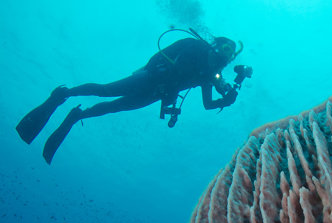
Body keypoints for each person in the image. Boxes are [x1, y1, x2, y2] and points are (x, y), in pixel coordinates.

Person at [16, 30, 252, 164]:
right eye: (225, 48)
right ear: (216, 45)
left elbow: (208, 104)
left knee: (113, 108)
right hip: (148, 79)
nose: (226, 54)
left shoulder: (211, 75)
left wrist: (226, 100)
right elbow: (159, 55)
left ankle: (77, 115)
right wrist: (156, 72)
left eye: (230, 53)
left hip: (157, 94)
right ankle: (63, 95)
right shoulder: (194, 46)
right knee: (106, 90)